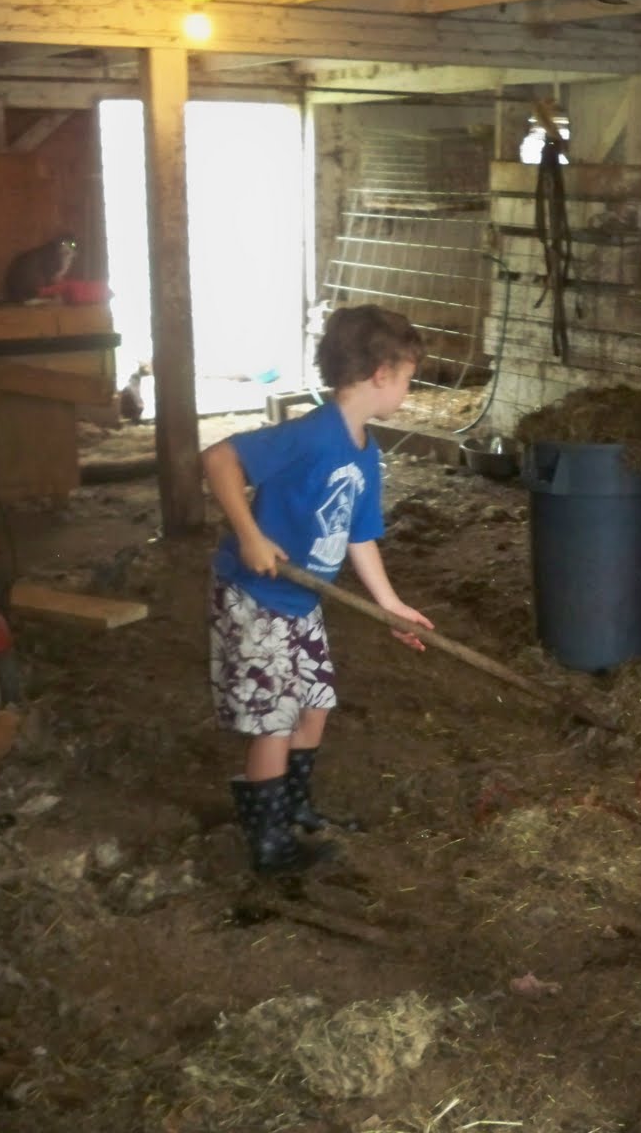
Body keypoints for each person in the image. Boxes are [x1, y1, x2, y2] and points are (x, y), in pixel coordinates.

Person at [202, 304, 433, 874]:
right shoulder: (312, 434)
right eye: (408, 377)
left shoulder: (365, 452)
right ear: (382, 374)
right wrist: (250, 534)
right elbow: (218, 458)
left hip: (301, 602)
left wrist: (390, 606)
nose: (407, 388)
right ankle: (269, 839)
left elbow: (359, 536)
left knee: (314, 705)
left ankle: (296, 805)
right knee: (275, 721)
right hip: (257, 597)